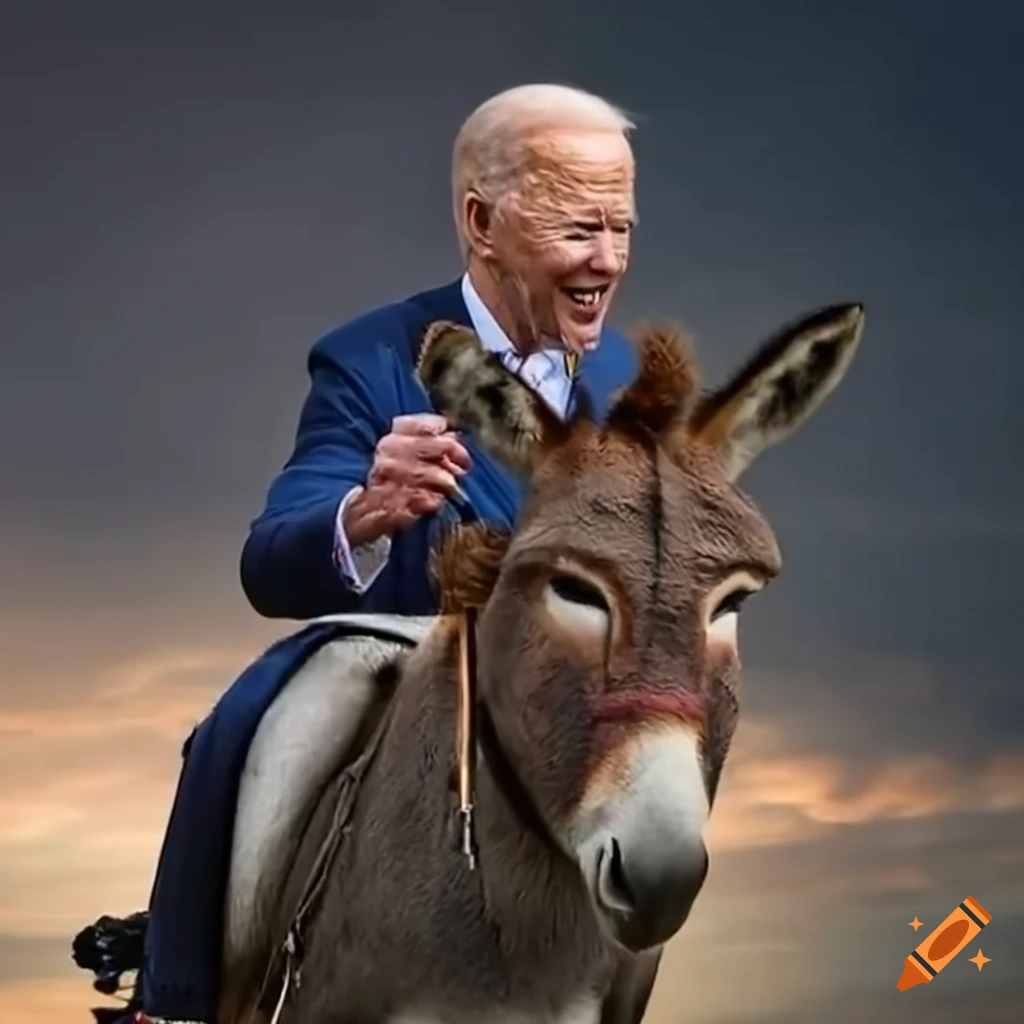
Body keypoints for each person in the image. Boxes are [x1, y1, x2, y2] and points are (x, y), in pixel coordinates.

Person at [134, 83, 641, 1024]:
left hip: (578, 704)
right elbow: (270, 558)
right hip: (415, 672)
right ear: (482, 223)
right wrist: (366, 510)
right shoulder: (369, 359)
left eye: (622, 229)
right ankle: (181, 997)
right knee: (238, 725)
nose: (607, 262)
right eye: (579, 231)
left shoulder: (624, 375)